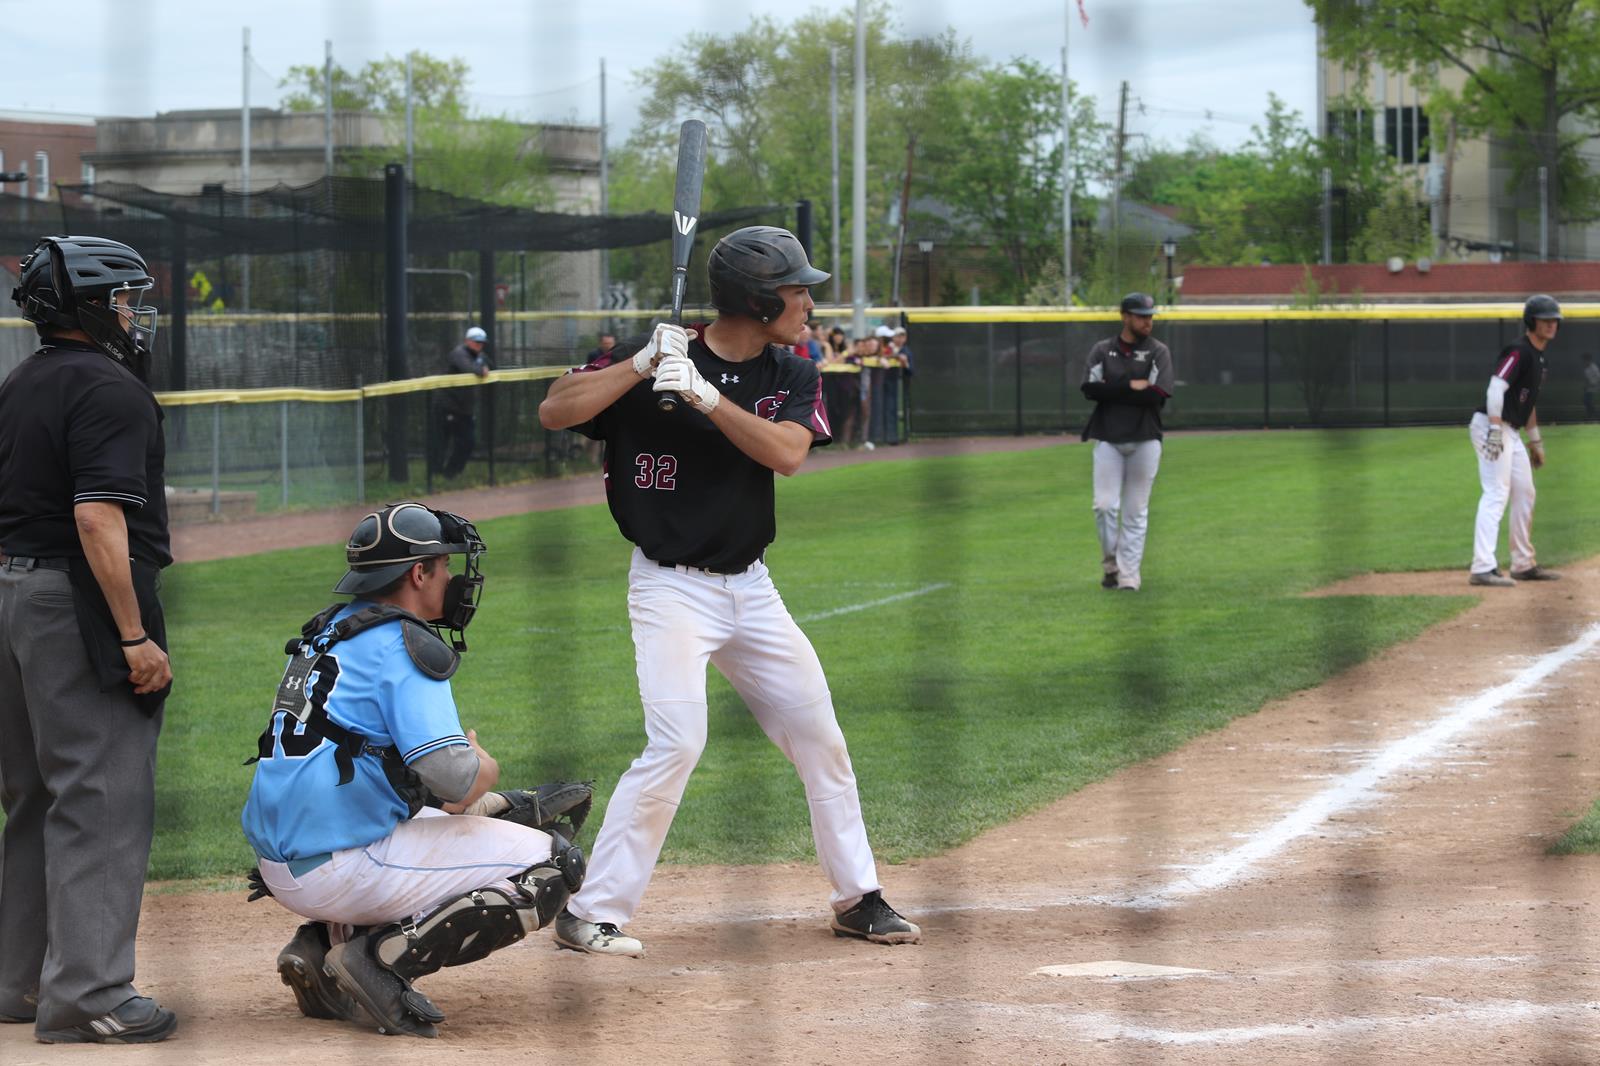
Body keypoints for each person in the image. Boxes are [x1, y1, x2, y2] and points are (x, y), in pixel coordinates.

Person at [537, 224, 920, 957]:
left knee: (821, 740)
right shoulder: (655, 357)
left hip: (753, 590)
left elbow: (787, 454)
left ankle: (857, 898)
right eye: (796, 288)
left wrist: (706, 398)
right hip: (669, 590)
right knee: (677, 741)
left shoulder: (792, 372)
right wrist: (642, 364)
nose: (808, 300)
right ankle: (589, 912)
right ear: (754, 296)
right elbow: (557, 409)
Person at [240, 502, 588, 1037]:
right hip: (341, 866)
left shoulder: (329, 630)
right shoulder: (403, 644)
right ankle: (376, 961)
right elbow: (456, 778)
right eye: (444, 566)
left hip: (284, 861)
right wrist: (485, 771)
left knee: (512, 814)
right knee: (553, 865)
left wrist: (474, 799)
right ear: (417, 573)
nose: (452, 577)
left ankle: (322, 947)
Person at [0, 235, 177, 1043]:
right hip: (73, 600)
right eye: (123, 298)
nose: (133, 313)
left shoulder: (21, 382)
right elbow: (97, 516)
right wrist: (132, 634)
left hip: (11, 597)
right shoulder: (111, 388)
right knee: (103, 795)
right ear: (88, 307)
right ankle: (92, 993)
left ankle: (23, 981)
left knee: (38, 794)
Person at [1080, 292, 1175, 592]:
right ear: (1124, 317)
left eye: (1149, 315)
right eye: (1140, 315)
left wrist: (1114, 389)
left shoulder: (1159, 351)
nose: (1147, 321)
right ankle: (1111, 563)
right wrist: (1131, 385)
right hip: (1108, 437)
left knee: (1135, 511)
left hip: (1145, 439)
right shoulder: (1102, 350)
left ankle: (1128, 576)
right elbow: (1089, 389)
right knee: (1104, 506)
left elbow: (1157, 394)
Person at [1467, 295, 1562, 586]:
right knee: (1496, 492)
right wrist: (1495, 429)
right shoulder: (1519, 352)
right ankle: (1482, 567)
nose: (1551, 324)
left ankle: (1522, 563)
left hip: (1511, 431)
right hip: (1491, 426)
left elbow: (1527, 403)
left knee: (1525, 492)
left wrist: (1536, 443)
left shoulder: (1539, 358)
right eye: (1545, 319)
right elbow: (1495, 388)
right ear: (1531, 321)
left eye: (1554, 319)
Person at [433, 326, 491, 478]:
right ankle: (434, 475)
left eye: (482, 342)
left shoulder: (479, 355)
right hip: (448, 407)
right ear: (467, 341)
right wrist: (481, 369)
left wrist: (483, 367)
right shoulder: (459, 353)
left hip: (465, 410)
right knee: (441, 443)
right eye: (476, 342)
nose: (480, 345)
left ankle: (450, 473)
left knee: (468, 442)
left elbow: (489, 366)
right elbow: (470, 369)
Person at [820, 326, 863, 448]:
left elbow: (851, 358)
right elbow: (831, 361)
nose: (838, 338)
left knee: (844, 408)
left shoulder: (847, 346)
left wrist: (843, 355)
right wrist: (844, 354)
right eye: (836, 335)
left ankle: (843, 438)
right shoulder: (827, 346)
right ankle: (832, 436)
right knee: (832, 407)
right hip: (830, 381)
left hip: (845, 383)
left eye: (840, 335)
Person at [1582, 352, 1598, 421]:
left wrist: (1593, 383)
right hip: (1589, 387)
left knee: (1587, 400)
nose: (1583, 362)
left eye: (1585, 360)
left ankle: (1592, 414)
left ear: (1588, 360)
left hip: (1593, 387)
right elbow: (1587, 378)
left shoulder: (1593, 367)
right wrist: (1585, 385)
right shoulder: (1586, 368)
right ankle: (1591, 414)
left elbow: (1598, 377)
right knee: (1586, 400)